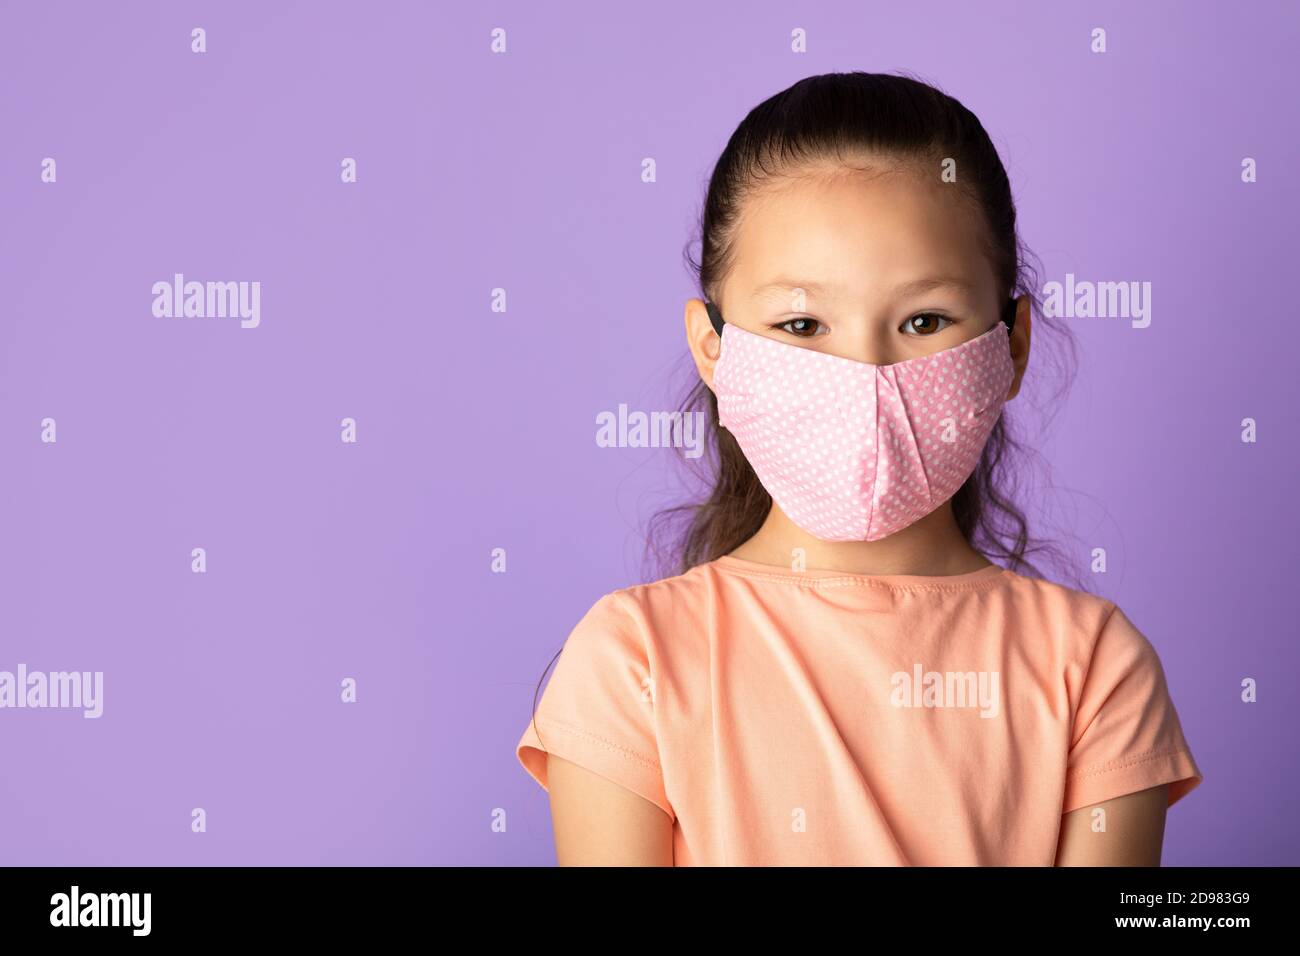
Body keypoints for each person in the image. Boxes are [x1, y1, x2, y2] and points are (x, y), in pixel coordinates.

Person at [515, 71, 1202, 866]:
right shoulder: (632, 660)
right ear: (713, 349)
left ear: (1011, 347)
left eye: (924, 320)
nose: (866, 377)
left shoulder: (1093, 668)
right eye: (803, 324)